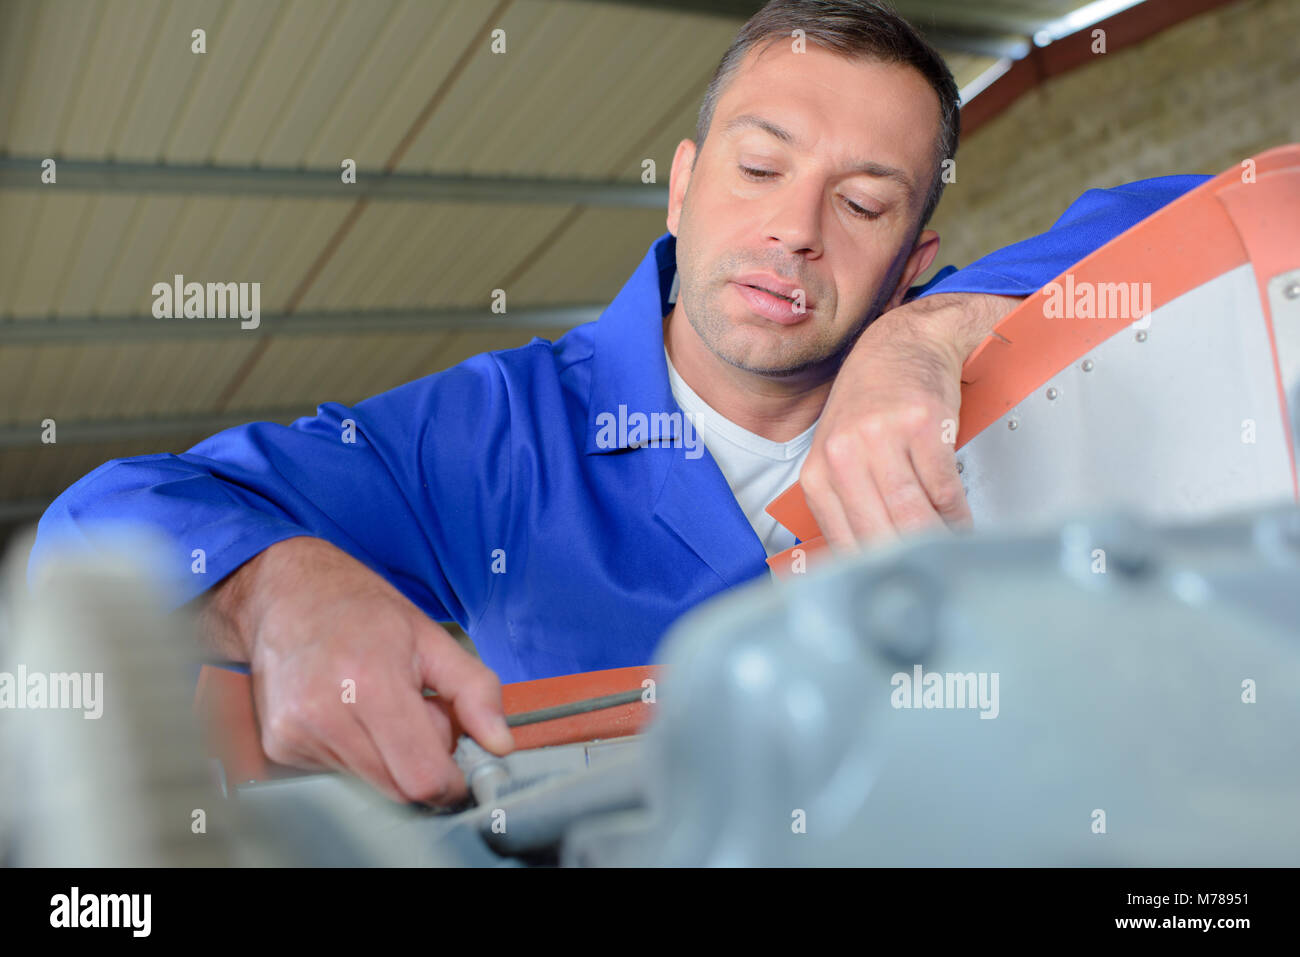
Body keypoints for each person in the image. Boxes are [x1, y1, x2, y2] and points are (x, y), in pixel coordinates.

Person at [28, 0, 1208, 804]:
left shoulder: (978, 354)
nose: (793, 228)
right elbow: (105, 514)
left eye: (860, 204)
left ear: (911, 257)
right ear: (682, 191)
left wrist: (932, 334)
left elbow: (1234, 199)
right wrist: (274, 587)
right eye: (758, 168)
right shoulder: (492, 437)